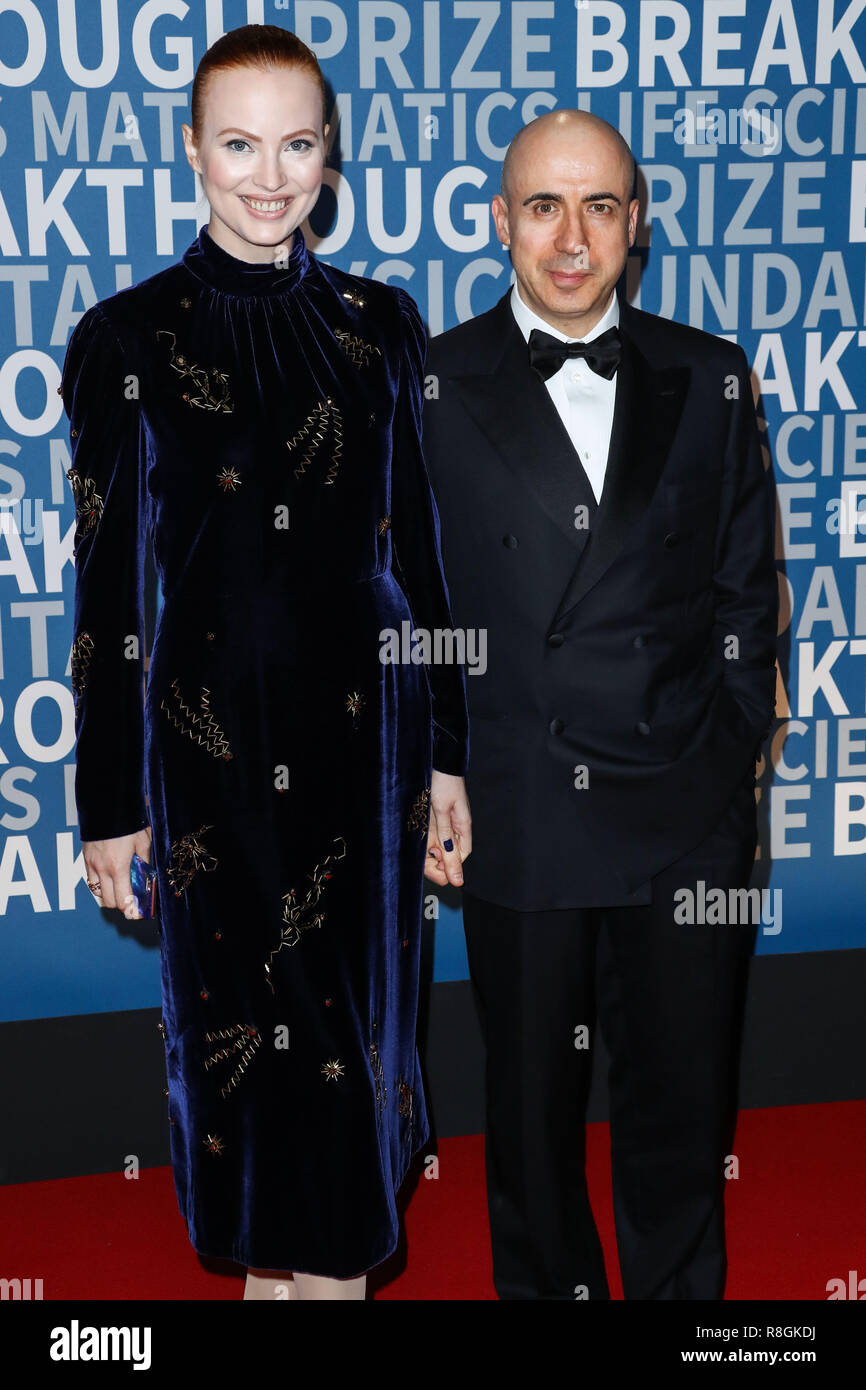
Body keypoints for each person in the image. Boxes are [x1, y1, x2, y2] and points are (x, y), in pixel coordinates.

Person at [61, 23, 471, 1301]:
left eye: (296, 143)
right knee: (248, 1078)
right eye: (238, 144)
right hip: (208, 769)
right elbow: (109, 589)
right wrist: (111, 803)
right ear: (191, 150)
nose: (268, 175)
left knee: (346, 1065)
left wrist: (449, 757)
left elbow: (424, 559)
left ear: (328, 154)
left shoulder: (379, 326)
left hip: (367, 753)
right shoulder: (124, 338)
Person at [422, 109, 778, 1300]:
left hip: (682, 816)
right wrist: (439, 766)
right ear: (497, 223)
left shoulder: (708, 372)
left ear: (635, 224)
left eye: (599, 207)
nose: (570, 238)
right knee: (528, 1133)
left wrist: (730, 754)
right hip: (520, 815)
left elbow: (743, 584)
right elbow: (403, 601)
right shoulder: (430, 384)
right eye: (541, 206)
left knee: (681, 1119)